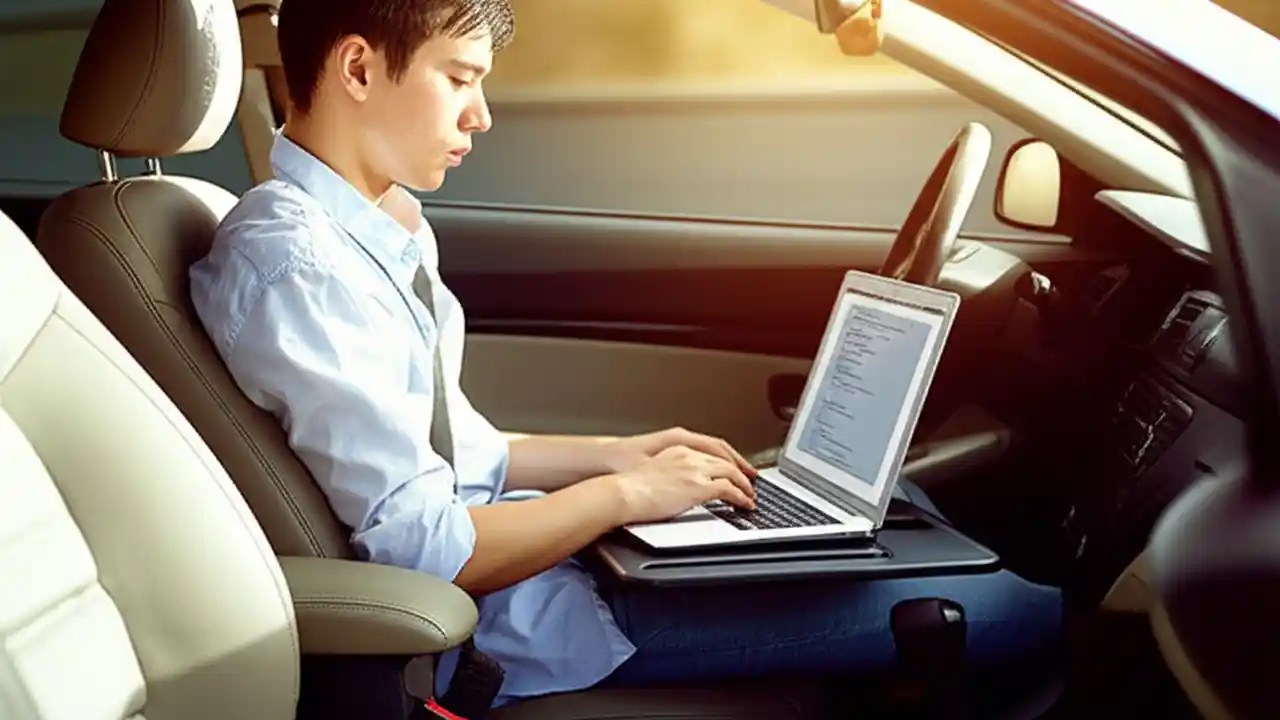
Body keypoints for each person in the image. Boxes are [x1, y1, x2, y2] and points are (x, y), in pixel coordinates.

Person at [190, 0, 1061, 709]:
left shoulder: (366, 232)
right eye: (459, 79)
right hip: (517, 620)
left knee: (901, 513)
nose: (480, 115)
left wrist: (618, 455)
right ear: (356, 70)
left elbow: (456, 453)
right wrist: (624, 498)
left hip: (546, 569)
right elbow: (429, 552)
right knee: (1016, 611)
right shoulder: (295, 266)